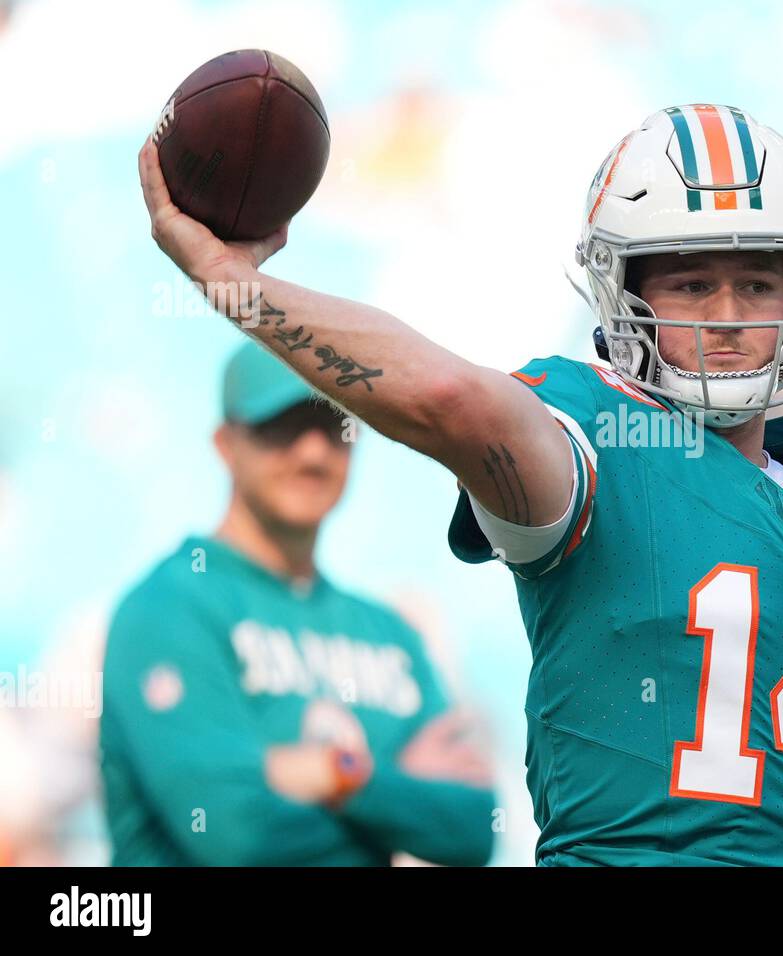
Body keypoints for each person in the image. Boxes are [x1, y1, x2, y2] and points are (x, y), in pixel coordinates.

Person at [138, 103, 783, 866]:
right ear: (622, 292)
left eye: (756, 281)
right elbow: (457, 399)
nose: (729, 319)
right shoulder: (589, 437)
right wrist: (243, 289)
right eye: (692, 284)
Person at [100, 342, 496, 866]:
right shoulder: (171, 607)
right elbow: (234, 833)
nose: (312, 452)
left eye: (333, 425)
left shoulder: (388, 632)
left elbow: (472, 829)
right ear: (226, 444)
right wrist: (387, 795)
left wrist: (336, 774)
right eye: (281, 426)